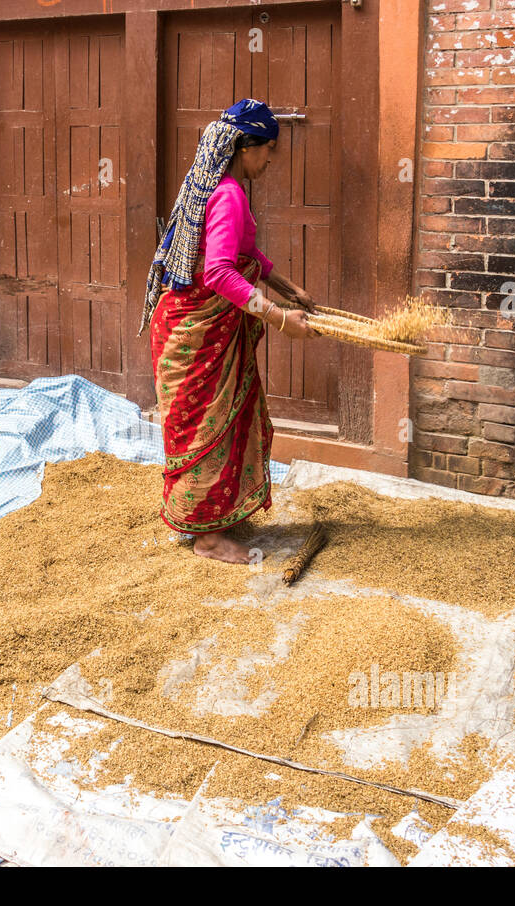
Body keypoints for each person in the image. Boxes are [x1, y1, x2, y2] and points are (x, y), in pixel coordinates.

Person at [140, 98, 322, 564]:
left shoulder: (220, 189)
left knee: (221, 420)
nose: (270, 159)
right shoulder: (229, 194)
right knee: (205, 426)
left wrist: (286, 286)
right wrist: (280, 319)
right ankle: (207, 537)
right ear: (246, 147)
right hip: (197, 333)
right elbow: (220, 273)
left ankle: (214, 514)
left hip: (198, 327)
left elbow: (245, 253)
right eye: (269, 150)